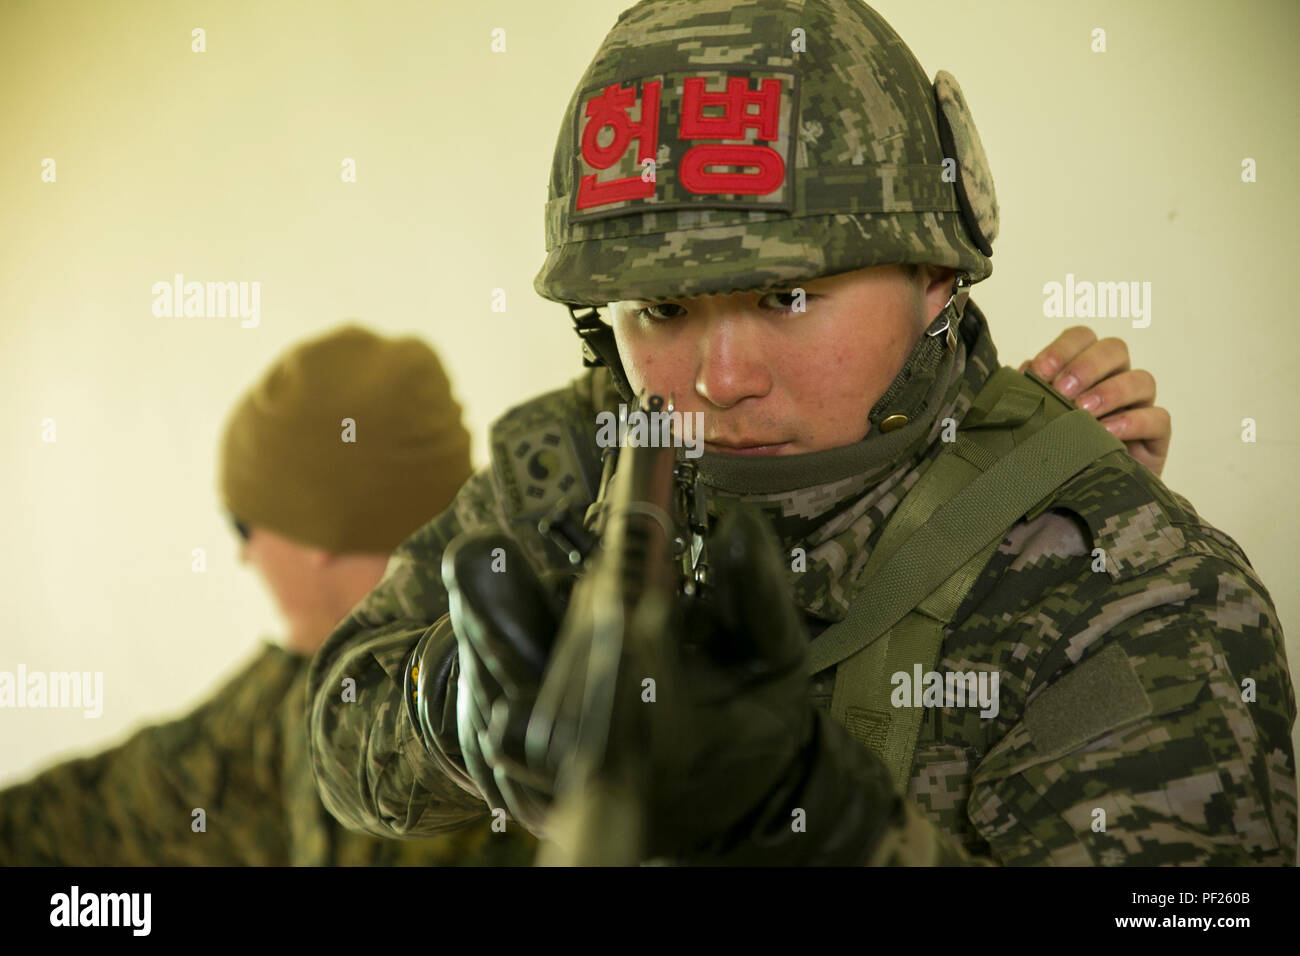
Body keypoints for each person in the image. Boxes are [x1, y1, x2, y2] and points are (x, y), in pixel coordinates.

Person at [306, 0, 1293, 867]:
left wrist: (831, 830)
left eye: (786, 295)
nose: (717, 379)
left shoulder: (1120, 582)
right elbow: (337, 733)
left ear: (935, 274)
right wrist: (457, 708)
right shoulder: (574, 458)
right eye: (659, 308)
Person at [0, 325, 538, 866]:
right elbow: (102, 806)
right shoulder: (291, 705)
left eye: (243, 527)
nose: (244, 557)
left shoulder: (509, 708)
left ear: (320, 534)